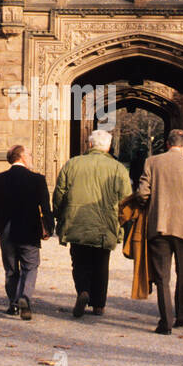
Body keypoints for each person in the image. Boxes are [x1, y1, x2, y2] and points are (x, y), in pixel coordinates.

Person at [137, 128, 183, 335]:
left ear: (167, 144)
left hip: (158, 225)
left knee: (162, 276)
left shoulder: (152, 162)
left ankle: (166, 321)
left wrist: (146, 204)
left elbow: (143, 193)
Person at [53, 128, 131, 319]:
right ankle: (98, 305)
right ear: (109, 147)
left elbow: (60, 193)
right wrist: (123, 224)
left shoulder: (72, 164)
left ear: (89, 145)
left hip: (76, 221)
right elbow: (126, 199)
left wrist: (58, 214)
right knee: (101, 263)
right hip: (106, 224)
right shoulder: (118, 168)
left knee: (78, 261)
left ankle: (83, 291)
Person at [0, 145, 54, 320]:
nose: (31, 157)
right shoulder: (37, 179)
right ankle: (24, 297)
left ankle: (13, 305)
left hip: (6, 229)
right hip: (29, 228)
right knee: (30, 266)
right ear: (22, 157)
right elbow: (45, 208)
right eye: (29, 154)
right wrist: (48, 227)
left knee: (10, 269)